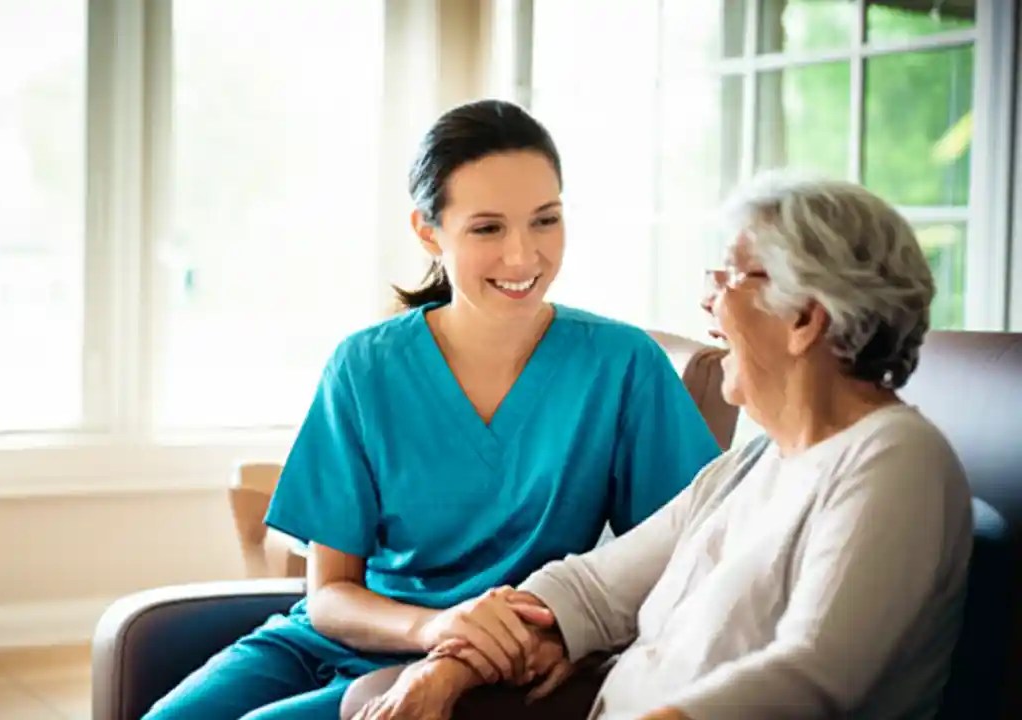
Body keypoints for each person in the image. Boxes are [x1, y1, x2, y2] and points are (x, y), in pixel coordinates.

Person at [140, 99, 721, 720]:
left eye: (545, 221)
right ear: (428, 231)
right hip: (345, 636)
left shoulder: (622, 365)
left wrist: (572, 641)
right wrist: (436, 625)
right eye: (487, 228)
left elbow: (686, 559)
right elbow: (331, 594)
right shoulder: (364, 367)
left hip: (480, 668)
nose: (523, 257)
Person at [346, 172, 973, 720]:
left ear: (805, 318)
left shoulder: (894, 461)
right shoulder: (755, 462)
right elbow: (592, 590)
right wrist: (445, 669)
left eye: (728, 277)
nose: (707, 298)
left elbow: (814, 674)